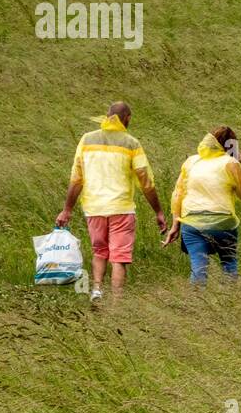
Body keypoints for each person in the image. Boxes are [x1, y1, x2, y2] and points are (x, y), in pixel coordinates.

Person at [56, 101, 166, 301]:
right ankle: (117, 301)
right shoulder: (131, 143)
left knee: (100, 251)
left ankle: (97, 289)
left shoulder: (86, 140)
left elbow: (76, 178)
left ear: (107, 117)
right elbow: (146, 182)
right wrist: (158, 211)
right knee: (119, 257)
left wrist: (67, 210)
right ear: (127, 119)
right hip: (121, 208)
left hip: (94, 208)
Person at [162, 126, 241, 284]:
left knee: (198, 269)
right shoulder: (231, 163)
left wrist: (175, 225)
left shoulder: (191, 161)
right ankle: (232, 303)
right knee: (229, 265)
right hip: (223, 224)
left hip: (192, 224)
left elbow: (178, 194)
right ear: (232, 145)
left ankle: (195, 304)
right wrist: (238, 164)